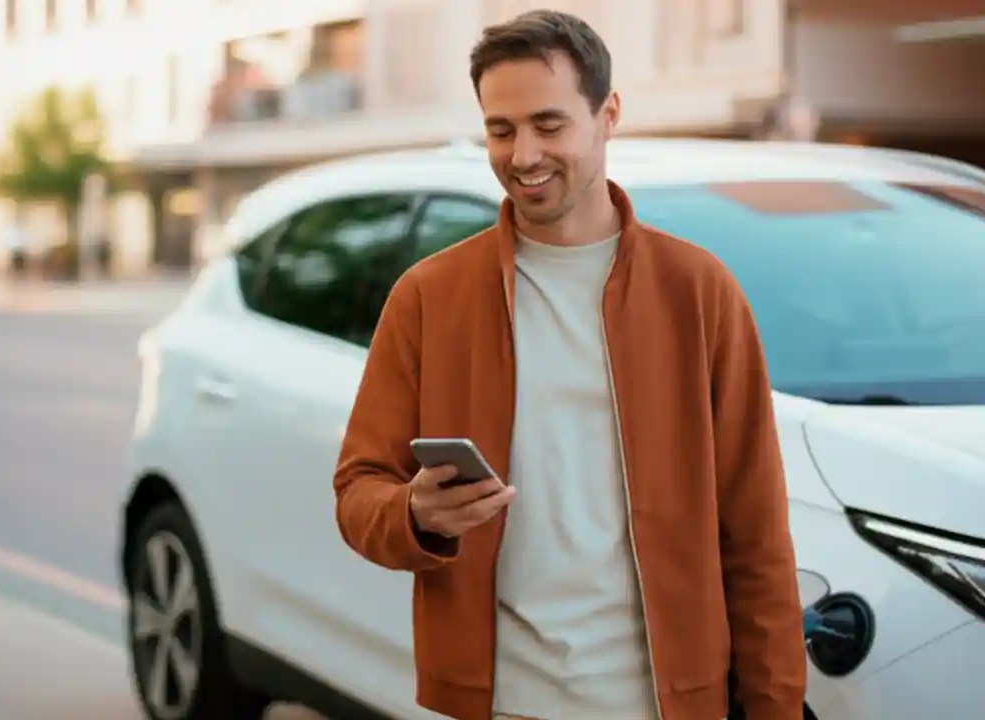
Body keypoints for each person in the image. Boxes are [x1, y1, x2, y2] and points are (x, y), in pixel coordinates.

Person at [332, 10, 806, 720]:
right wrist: (415, 512)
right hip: (501, 701)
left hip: (665, 704)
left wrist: (773, 706)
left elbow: (757, 536)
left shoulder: (699, 293)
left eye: (549, 125)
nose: (523, 155)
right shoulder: (429, 298)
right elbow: (357, 491)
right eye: (501, 130)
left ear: (607, 115)